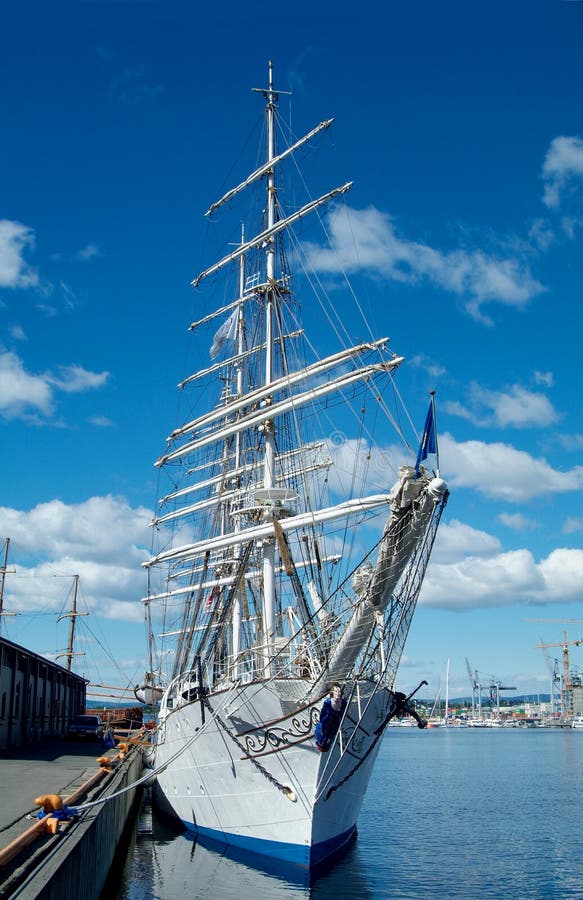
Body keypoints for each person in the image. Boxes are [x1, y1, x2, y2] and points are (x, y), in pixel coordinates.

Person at [314, 683, 346, 751]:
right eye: (335, 692)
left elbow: (342, 713)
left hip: (335, 722)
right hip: (327, 721)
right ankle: (323, 744)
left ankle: (325, 744)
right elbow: (323, 713)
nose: (337, 694)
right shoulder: (327, 702)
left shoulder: (343, 703)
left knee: (331, 734)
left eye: (339, 692)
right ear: (332, 693)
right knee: (325, 733)